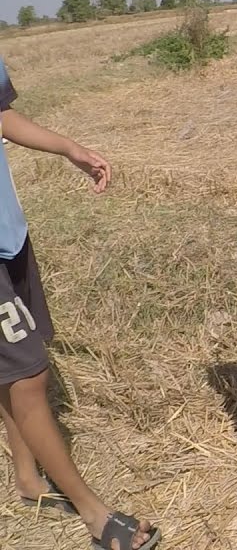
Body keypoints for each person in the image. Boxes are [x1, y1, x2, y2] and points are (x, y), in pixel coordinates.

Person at [0, 57, 160, 550]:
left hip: (8, 234)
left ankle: (28, 479)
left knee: (13, 367)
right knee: (29, 374)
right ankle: (96, 515)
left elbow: (0, 114)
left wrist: (69, 147)